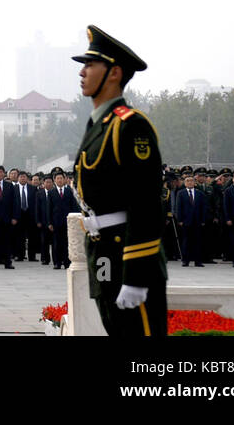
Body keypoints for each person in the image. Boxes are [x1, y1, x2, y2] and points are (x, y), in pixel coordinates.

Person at [72, 25, 167, 336]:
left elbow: (147, 202)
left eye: (90, 65)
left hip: (127, 253)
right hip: (103, 253)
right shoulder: (98, 125)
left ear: (114, 72)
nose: (82, 72)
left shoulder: (131, 126)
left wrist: (136, 275)